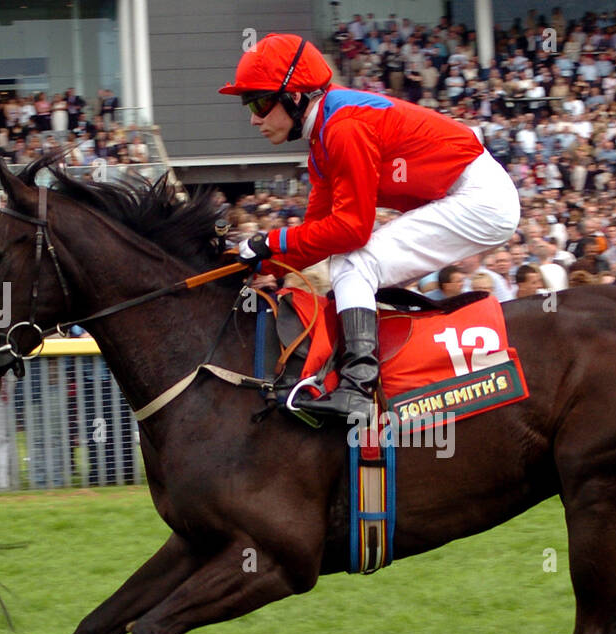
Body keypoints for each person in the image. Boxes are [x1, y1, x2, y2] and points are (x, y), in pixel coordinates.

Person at [220, 33, 520, 418]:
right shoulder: (323, 138)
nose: (254, 118)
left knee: (353, 261)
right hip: (464, 193)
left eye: (260, 102)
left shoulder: (344, 128)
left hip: (480, 198)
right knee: (346, 259)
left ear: (294, 96)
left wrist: (269, 241)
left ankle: (358, 389)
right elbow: (315, 237)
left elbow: (350, 230)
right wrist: (254, 265)